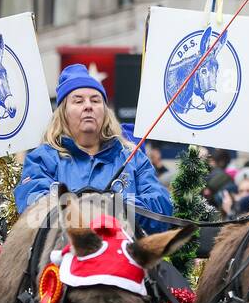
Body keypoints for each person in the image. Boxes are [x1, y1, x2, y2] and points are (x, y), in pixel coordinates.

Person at [15, 64, 173, 224]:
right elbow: (33, 211)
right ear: (63, 113)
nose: (88, 106)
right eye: (78, 101)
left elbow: (161, 208)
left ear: (105, 112)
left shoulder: (133, 156)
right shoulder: (42, 158)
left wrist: (114, 208)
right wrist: (97, 211)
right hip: (67, 247)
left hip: (125, 247)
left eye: (95, 100)